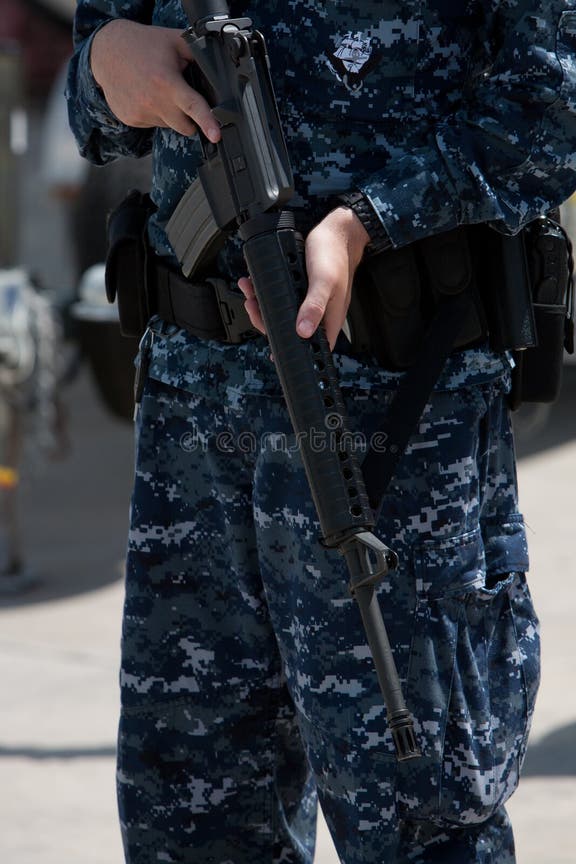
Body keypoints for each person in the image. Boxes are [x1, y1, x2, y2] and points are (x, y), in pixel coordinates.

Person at [67, 2, 576, 862]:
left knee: (420, 816)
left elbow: (553, 107)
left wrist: (367, 221)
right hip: (197, 424)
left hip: (396, 420)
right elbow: (95, 92)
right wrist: (104, 71)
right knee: (190, 818)